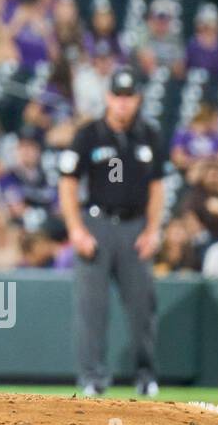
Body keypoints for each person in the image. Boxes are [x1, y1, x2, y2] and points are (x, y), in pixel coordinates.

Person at [58, 66, 168, 398]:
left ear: (138, 98)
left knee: (142, 308)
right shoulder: (88, 134)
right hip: (97, 224)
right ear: (108, 97)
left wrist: (153, 230)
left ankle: (146, 376)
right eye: (117, 96)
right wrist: (76, 229)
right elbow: (67, 182)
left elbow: (158, 187)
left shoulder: (149, 134)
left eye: (128, 96)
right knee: (92, 308)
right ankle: (92, 378)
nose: (122, 103)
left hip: (135, 227)